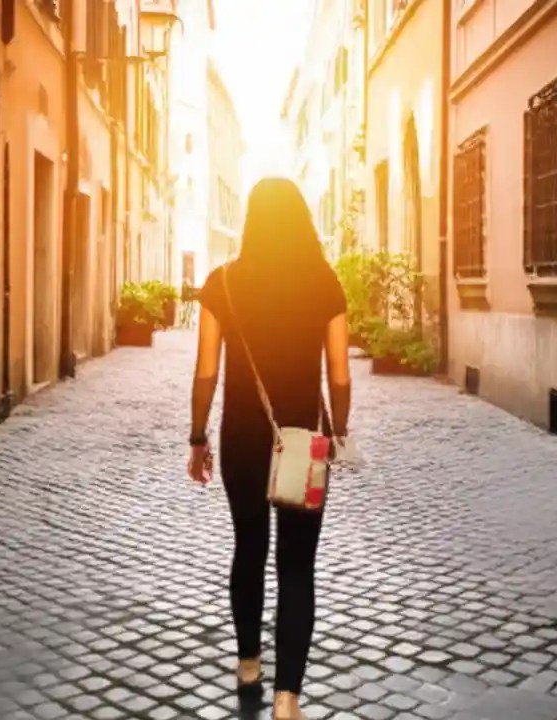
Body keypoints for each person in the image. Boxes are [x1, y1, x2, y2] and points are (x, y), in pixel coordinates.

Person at [186, 178, 352, 719]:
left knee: (248, 547)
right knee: (298, 566)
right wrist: (340, 432)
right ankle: (288, 700)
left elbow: (207, 370)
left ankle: (249, 664)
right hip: (303, 441)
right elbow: (341, 374)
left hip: (241, 440)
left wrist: (197, 436)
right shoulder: (325, 285)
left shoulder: (223, 284)